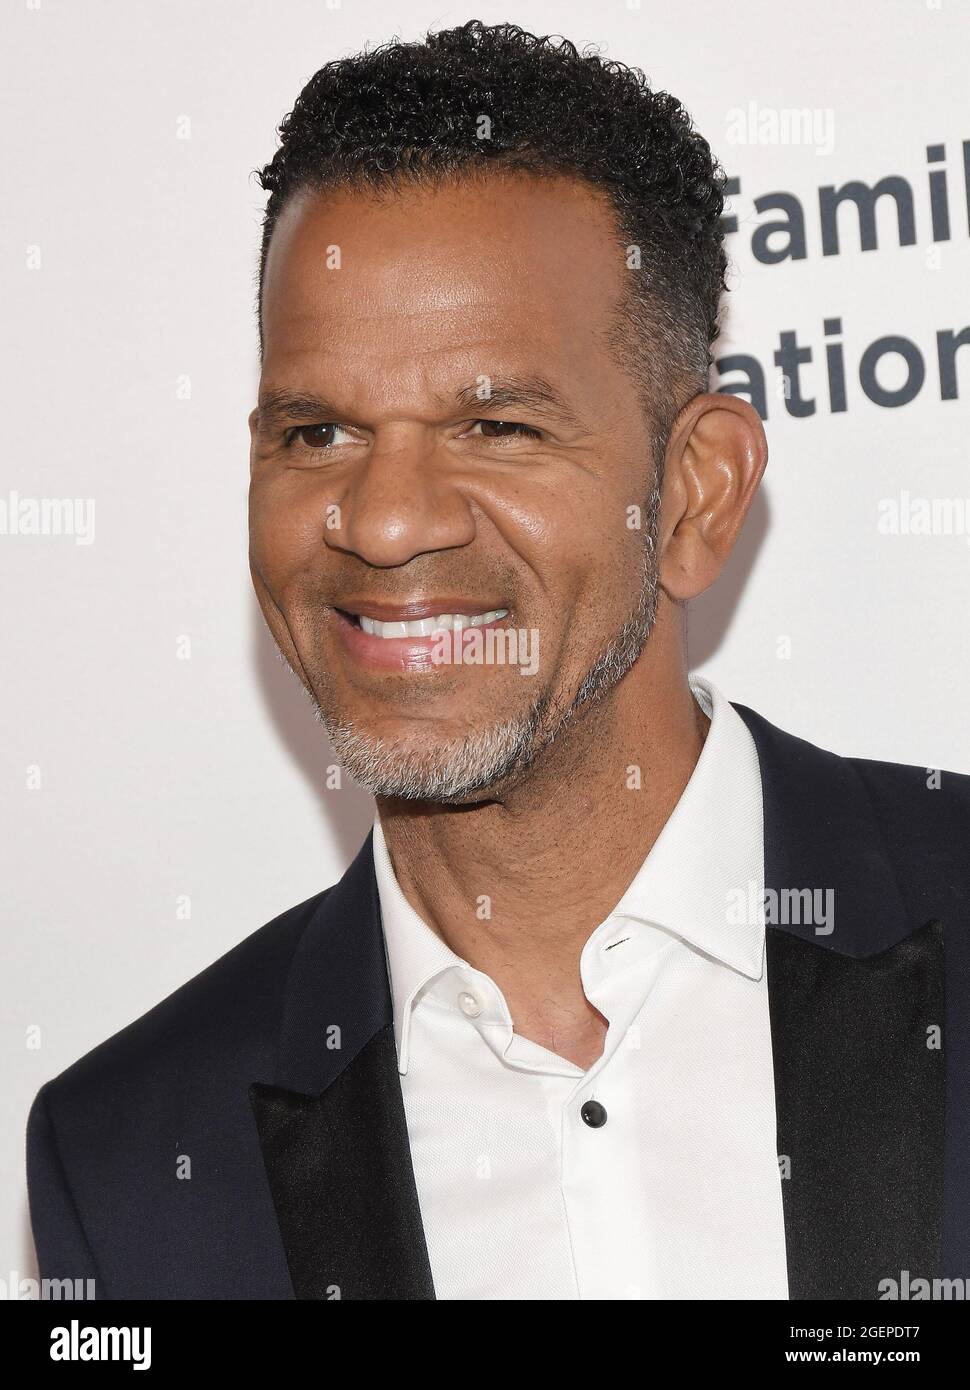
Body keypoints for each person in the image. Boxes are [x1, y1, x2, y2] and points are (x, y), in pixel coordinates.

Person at [26, 20, 970, 1301]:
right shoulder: (131, 1154)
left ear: (693, 494)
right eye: (316, 431)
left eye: (496, 423)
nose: (388, 517)